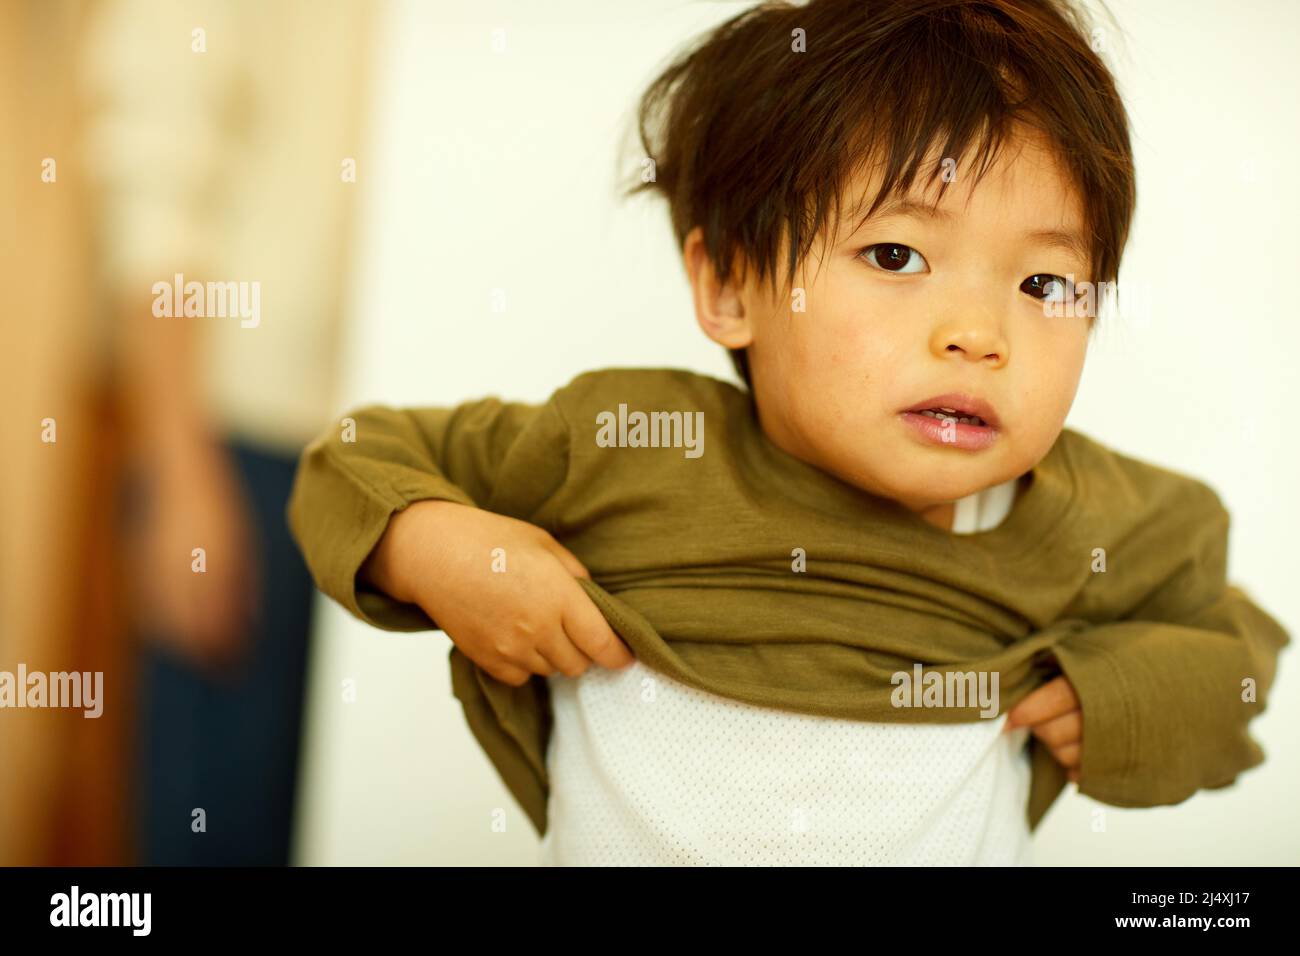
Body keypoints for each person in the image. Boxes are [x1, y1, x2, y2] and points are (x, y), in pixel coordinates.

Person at [284, 0, 1290, 864]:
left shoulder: (1089, 518)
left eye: (1042, 283)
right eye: (896, 253)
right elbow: (349, 454)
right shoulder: (626, 444)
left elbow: (1233, 643)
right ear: (727, 284)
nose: (979, 334)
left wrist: (1126, 696)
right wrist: (436, 546)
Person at [81, 0, 377, 864]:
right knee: (214, 831)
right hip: (243, 452)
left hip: (396, 462)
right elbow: (154, 185)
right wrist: (178, 474)